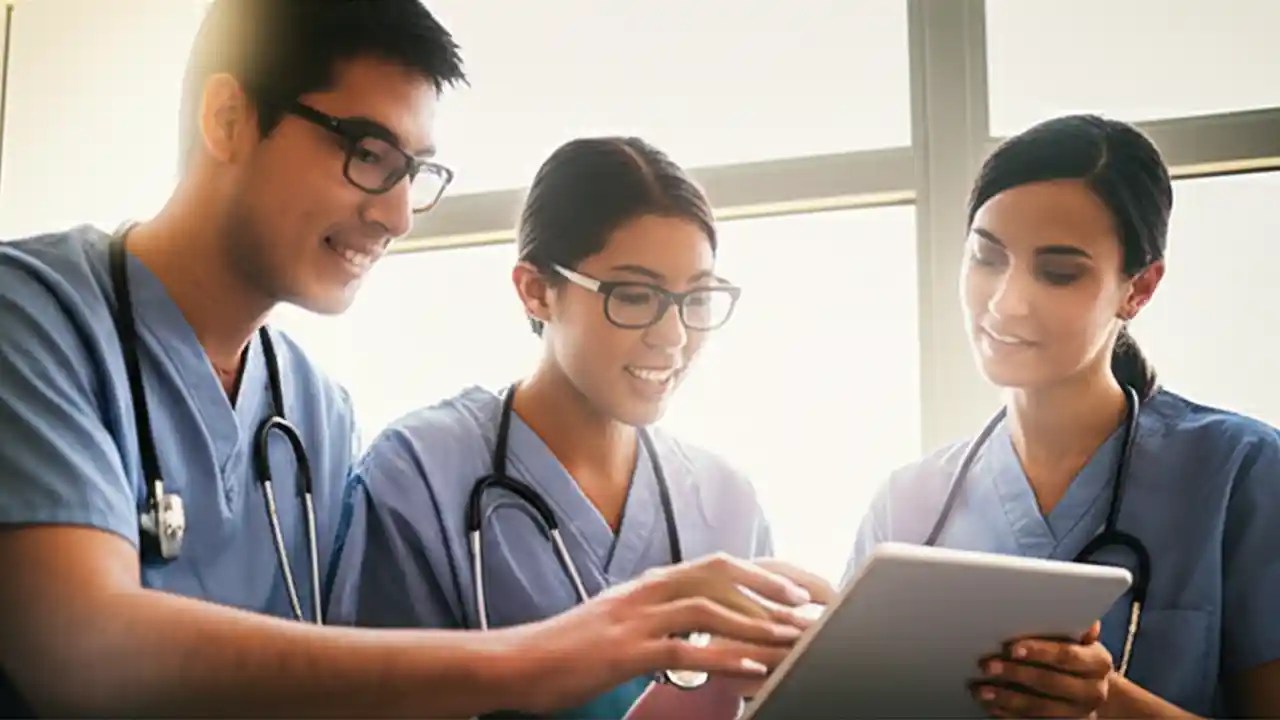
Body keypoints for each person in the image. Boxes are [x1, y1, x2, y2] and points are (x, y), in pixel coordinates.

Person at [0, 1, 822, 716]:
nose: (397, 214)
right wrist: (549, 656)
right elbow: (83, 652)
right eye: (367, 154)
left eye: (414, 173)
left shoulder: (313, 410)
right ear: (227, 120)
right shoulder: (34, 315)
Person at [324, 136, 835, 719]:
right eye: (635, 296)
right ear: (536, 290)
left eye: (696, 299)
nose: (672, 337)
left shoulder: (726, 504)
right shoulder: (420, 475)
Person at [844, 114, 1280, 718]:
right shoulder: (907, 505)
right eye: (986, 258)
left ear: (1140, 288)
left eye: (1057, 272)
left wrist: (1108, 704)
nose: (1006, 302)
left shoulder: (1241, 472)